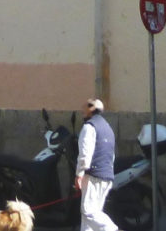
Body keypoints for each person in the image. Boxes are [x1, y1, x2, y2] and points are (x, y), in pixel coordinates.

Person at [74, 96, 118, 231]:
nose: (82, 110)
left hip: (93, 176)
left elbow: (85, 154)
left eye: (85, 107)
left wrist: (79, 175)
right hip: (107, 175)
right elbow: (111, 154)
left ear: (91, 109)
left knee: (88, 212)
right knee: (89, 216)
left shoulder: (89, 127)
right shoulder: (108, 128)